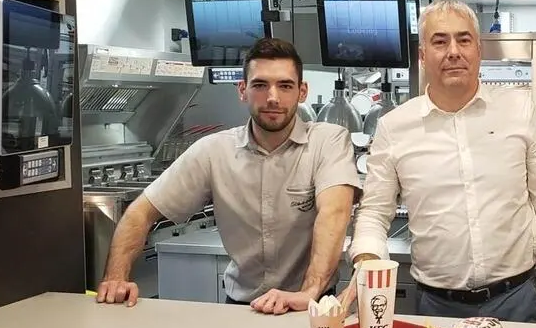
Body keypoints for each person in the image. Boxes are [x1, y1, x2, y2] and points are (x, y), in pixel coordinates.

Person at [348, 0, 536, 324]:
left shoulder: (519, 110)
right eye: (440, 41)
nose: (453, 51)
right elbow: (373, 212)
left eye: (464, 40)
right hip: (436, 307)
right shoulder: (394, 127)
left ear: (478, 50)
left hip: (517, 300)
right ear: (422, 55)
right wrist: (366, 267)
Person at [96, 38, 361, 314]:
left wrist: (308, 293)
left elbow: (334, 213)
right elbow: (140, 212)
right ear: (243, 90)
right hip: (242, 308)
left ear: (302, 91)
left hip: (311, 307)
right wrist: (115, 278)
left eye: (285, 86)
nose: (272, 98)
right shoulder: (214, 151)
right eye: (260, 85)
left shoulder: (327, 142)